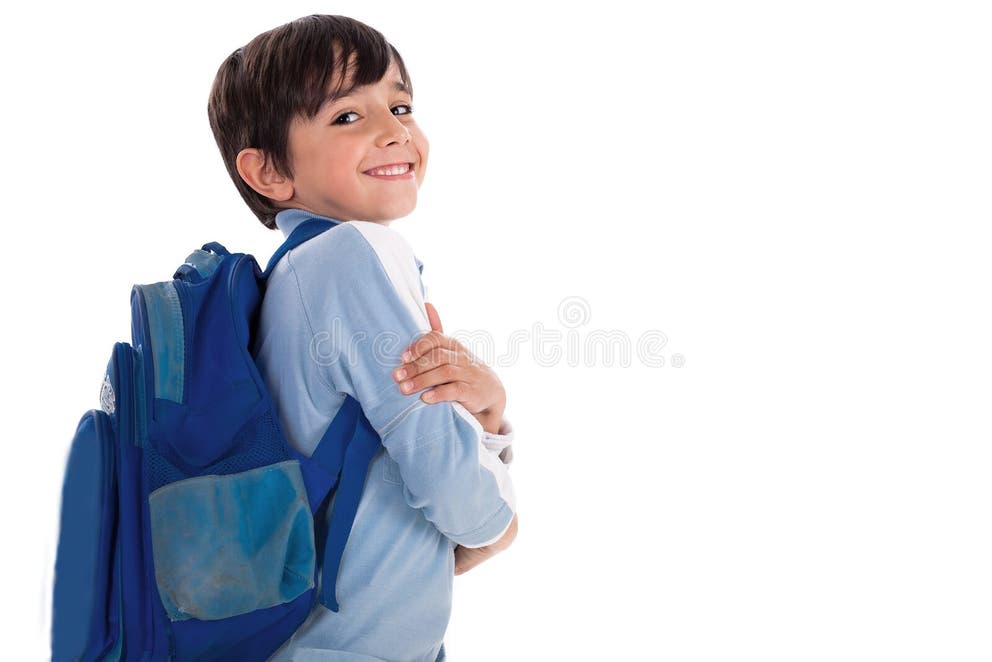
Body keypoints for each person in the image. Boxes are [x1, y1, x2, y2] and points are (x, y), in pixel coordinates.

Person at [206, 14, 518, 662]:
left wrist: (487, 416)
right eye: (348, 117)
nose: (394, 130)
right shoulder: (351, 255)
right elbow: (458, 498)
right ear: (267, 172)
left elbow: (392, 516)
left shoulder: (298, 272)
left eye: (400, 104)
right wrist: (500, 518)